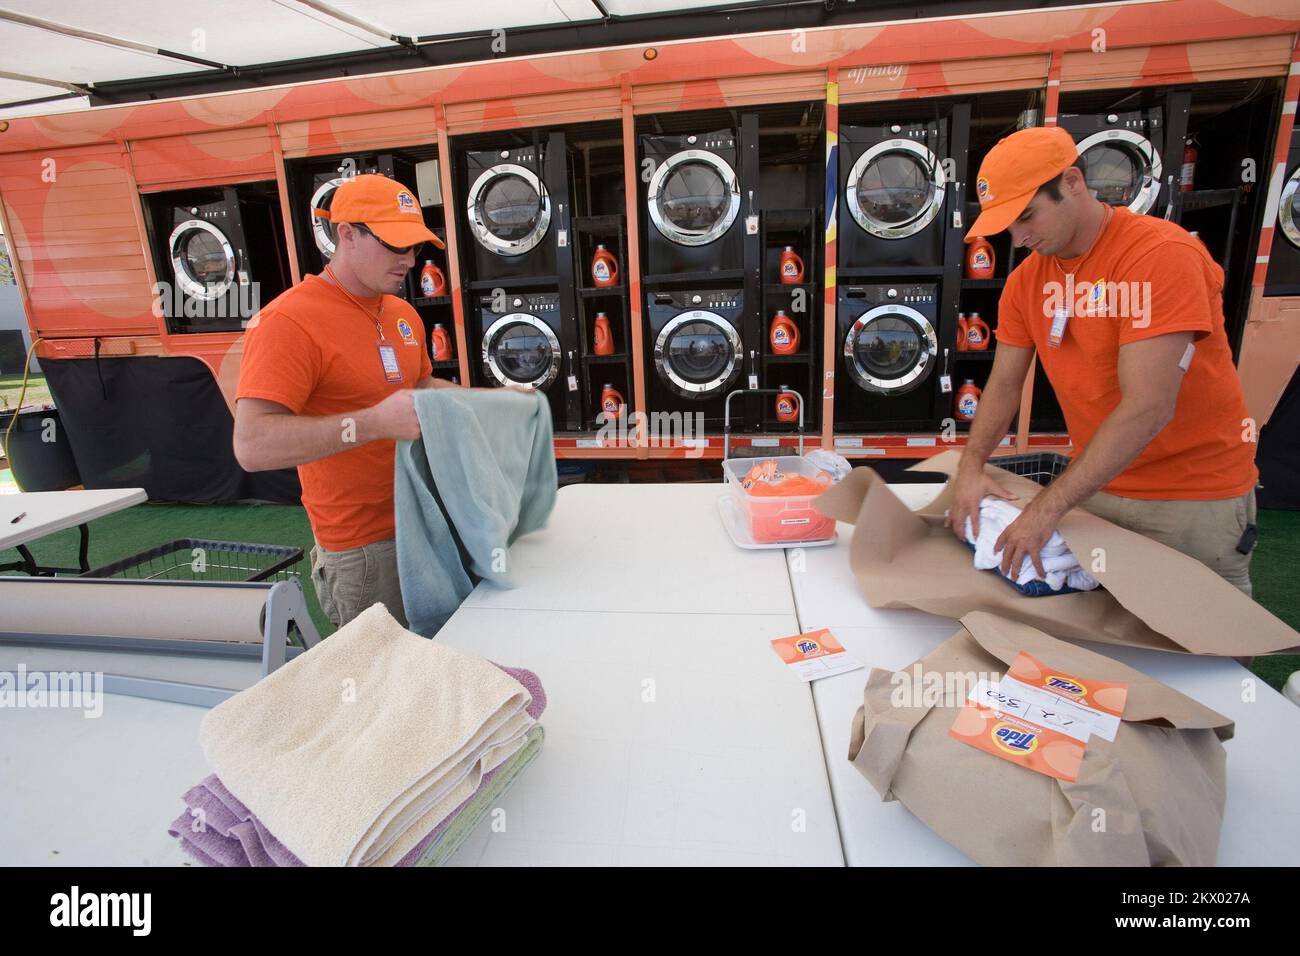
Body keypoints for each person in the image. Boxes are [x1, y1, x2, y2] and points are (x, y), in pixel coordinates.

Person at [946, 126, 1259, 595]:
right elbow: (1005, 384)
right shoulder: (1026, 282)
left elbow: (1148, 406)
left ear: (1072, 182)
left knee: (1205, 649)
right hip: (1099, 489)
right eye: (1007, 225)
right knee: (1114, 646)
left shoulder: (1158, 257)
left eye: (1028, 216)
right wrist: (971, 468)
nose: (1019, 237)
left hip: (1192, 498)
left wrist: (1047, 509)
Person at [233, 173, 455, 627]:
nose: (410, 260)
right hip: (363, 551)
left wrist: (493, 401)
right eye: (396, 245)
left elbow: (420, 389)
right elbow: (252, 445)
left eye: (415, 247)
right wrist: (373, 423)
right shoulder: (288, 321)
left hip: (426, 523)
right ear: (347, 235)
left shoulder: (400, 311)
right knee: (379, 685)